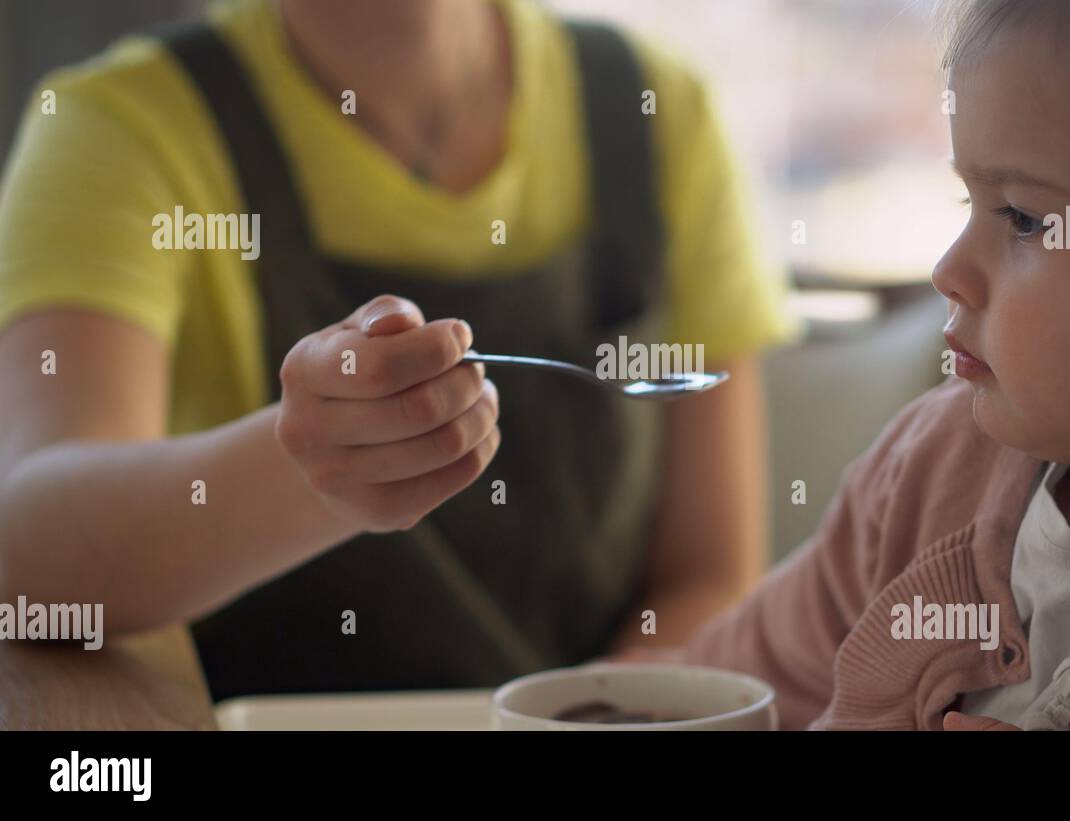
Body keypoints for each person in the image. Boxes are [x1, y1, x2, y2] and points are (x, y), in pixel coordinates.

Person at [0, 0, 794, 700]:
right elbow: (25, 556)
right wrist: (305, 471)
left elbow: (710, 576)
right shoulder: (120, 128)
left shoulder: (659, 112)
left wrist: (591, 716)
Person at [653, 0, 1070, 730]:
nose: (947, 269)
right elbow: (717, 691)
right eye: (969, 199)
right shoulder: (927, 473)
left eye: (1024, 217)